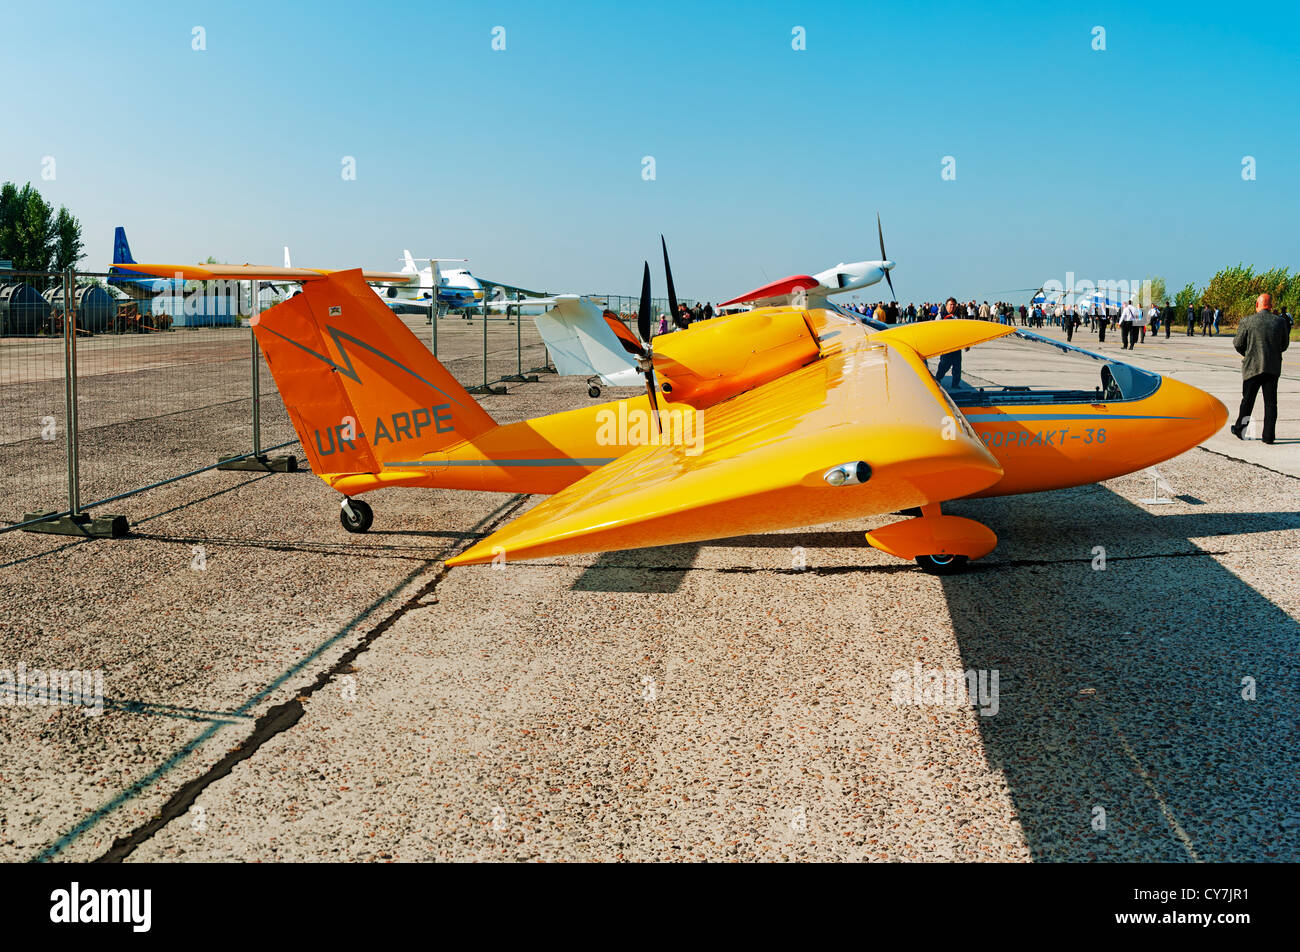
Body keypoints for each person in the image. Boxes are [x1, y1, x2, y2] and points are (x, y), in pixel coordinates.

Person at [1231, 293, 1289, 444]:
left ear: (1257, 305)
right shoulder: (1280, 322)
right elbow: (1284, 345)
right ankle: (1268, 436)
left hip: (1252, 367)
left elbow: (1238, 343)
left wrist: (1248, 352)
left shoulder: (1247, 321)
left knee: (1247, 401)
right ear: (1270, 306)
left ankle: (1240, 429)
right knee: (1271, 404)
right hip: (1272, 367)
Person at [935, 297, 964, 387]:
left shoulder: (957, 317)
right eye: (950, 305)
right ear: (946, 305)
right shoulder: (940, 316)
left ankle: (955, 384)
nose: (952, 307)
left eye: (954, 305)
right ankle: (938, 379)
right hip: (946, 346)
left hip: (956, 346)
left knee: (957, 366)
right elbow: (935, 330)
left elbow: (961, 331)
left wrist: (966, 344)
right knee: (944, 365)